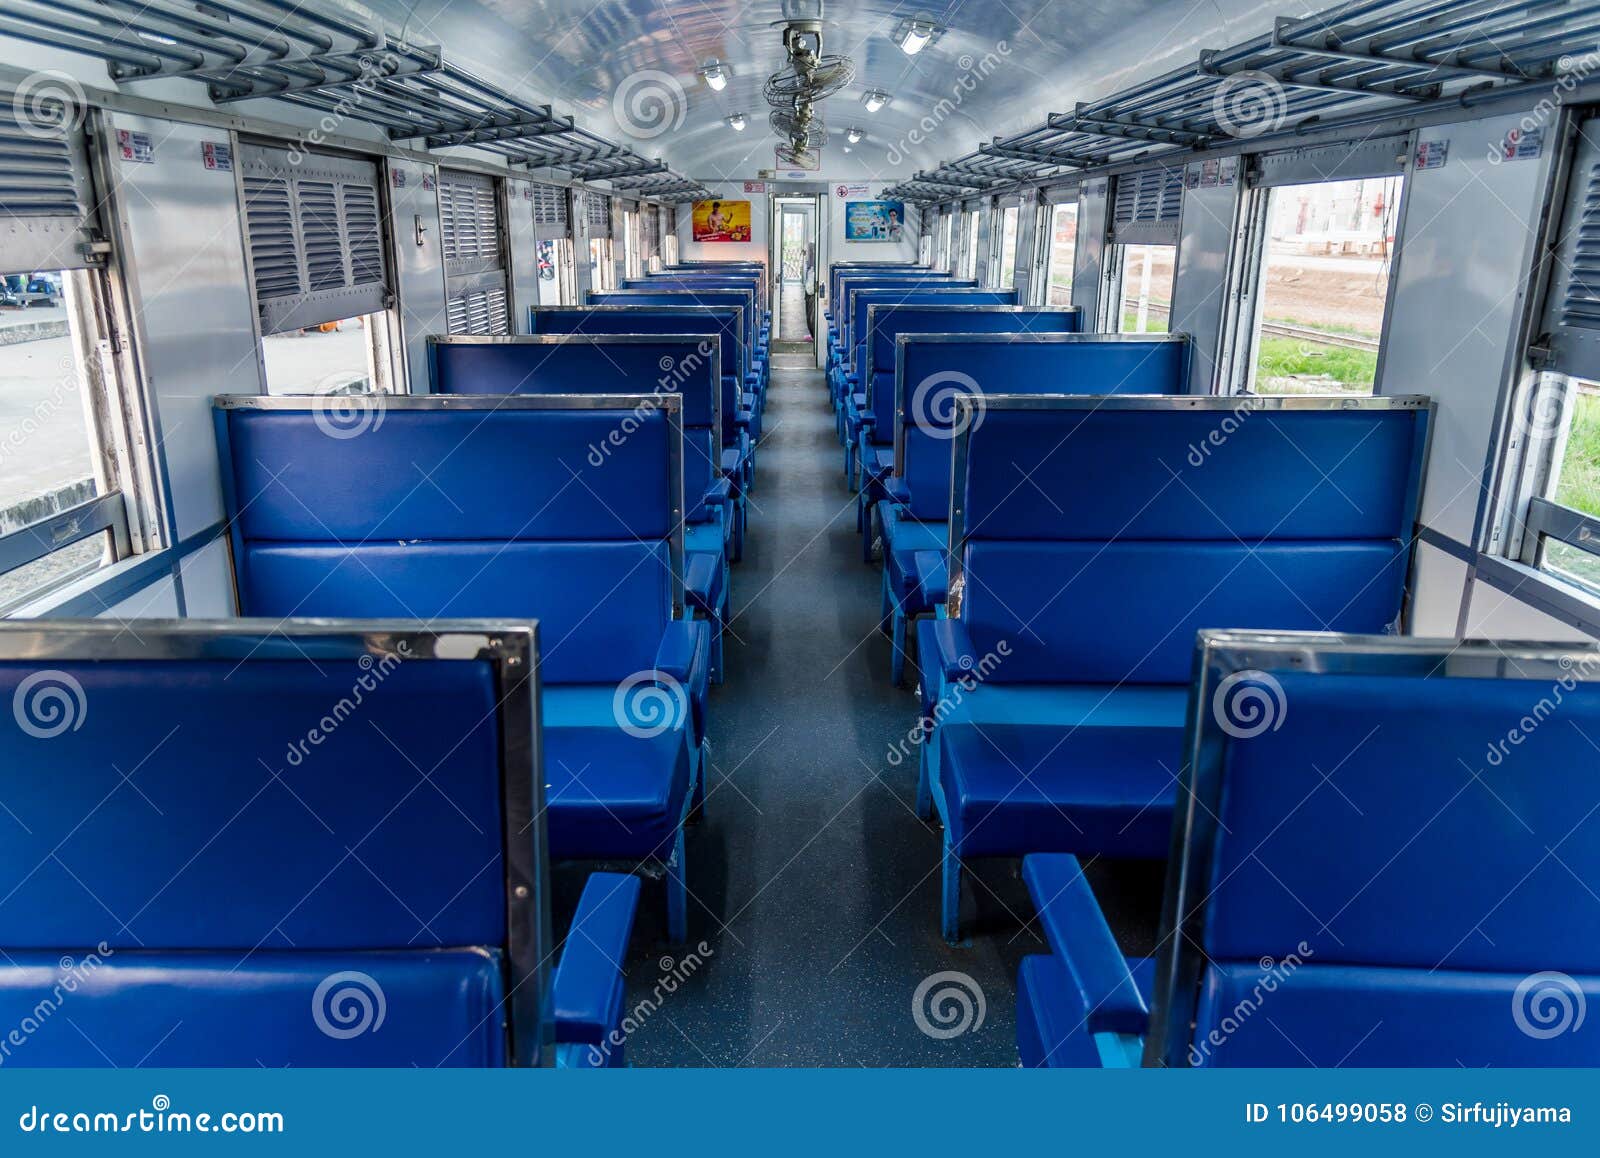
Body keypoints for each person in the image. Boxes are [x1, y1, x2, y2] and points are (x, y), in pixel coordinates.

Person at [802, 242, 817, 341]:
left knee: (811, 316)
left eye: (807, 252)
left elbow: (811, 288)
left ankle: (814, 336)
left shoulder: (815, 267)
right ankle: (812, 335)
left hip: (811, 293)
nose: (806, 255)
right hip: (808, 292)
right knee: (808, 314)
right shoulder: (810, 266)